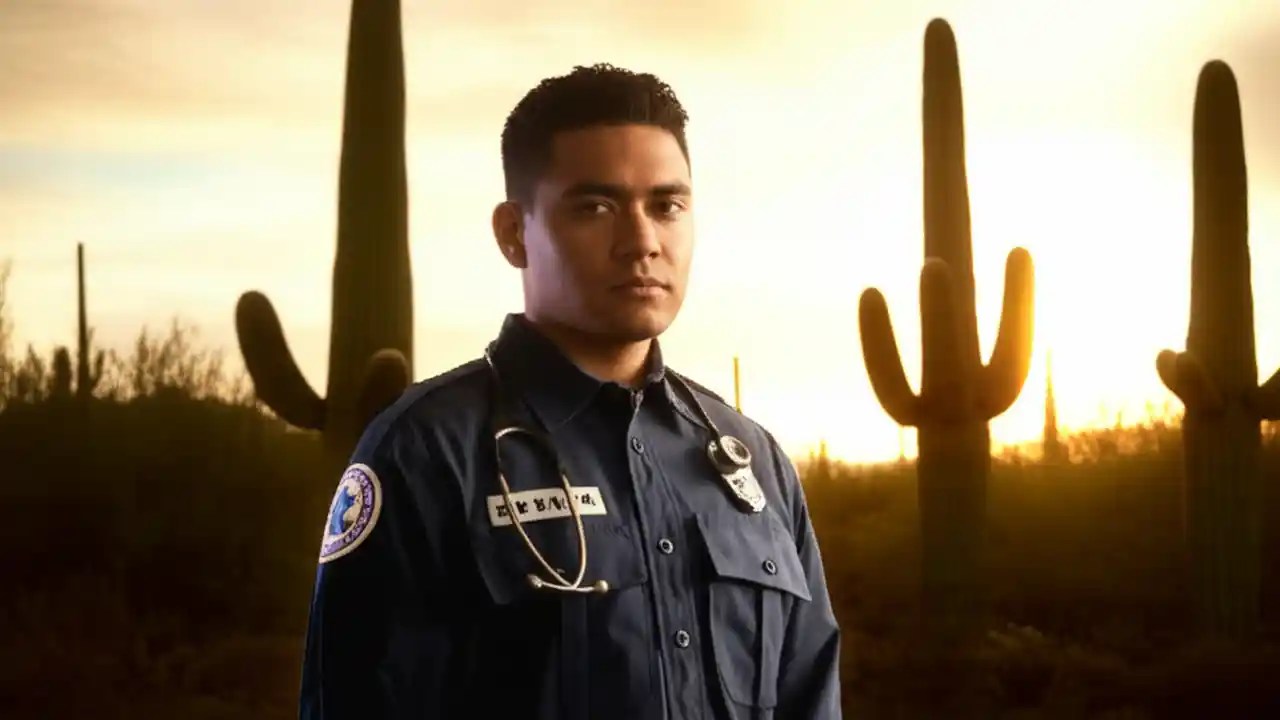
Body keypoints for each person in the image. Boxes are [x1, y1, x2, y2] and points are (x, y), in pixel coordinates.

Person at [298, 62, 842, 720]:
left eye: (666, 206)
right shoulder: (426, 452)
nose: (642, 242)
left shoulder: (751, 459)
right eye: (595, 207)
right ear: (513, 232)